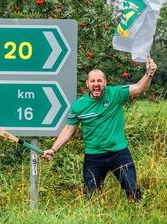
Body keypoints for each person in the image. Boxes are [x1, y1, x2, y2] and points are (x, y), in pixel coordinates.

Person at [42, 58, 158, 201]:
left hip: (119, 153)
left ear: (105, 83)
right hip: (93, 156)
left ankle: (138, 215)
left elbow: (140, 87)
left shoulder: (115, 94)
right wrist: (53, 149)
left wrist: (149, 73)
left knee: (132, 190)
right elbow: (68, 129)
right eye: (93, 81)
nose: (96, 84)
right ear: (87, 84)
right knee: (90, 197)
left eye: (99, 81)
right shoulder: (79, 105)